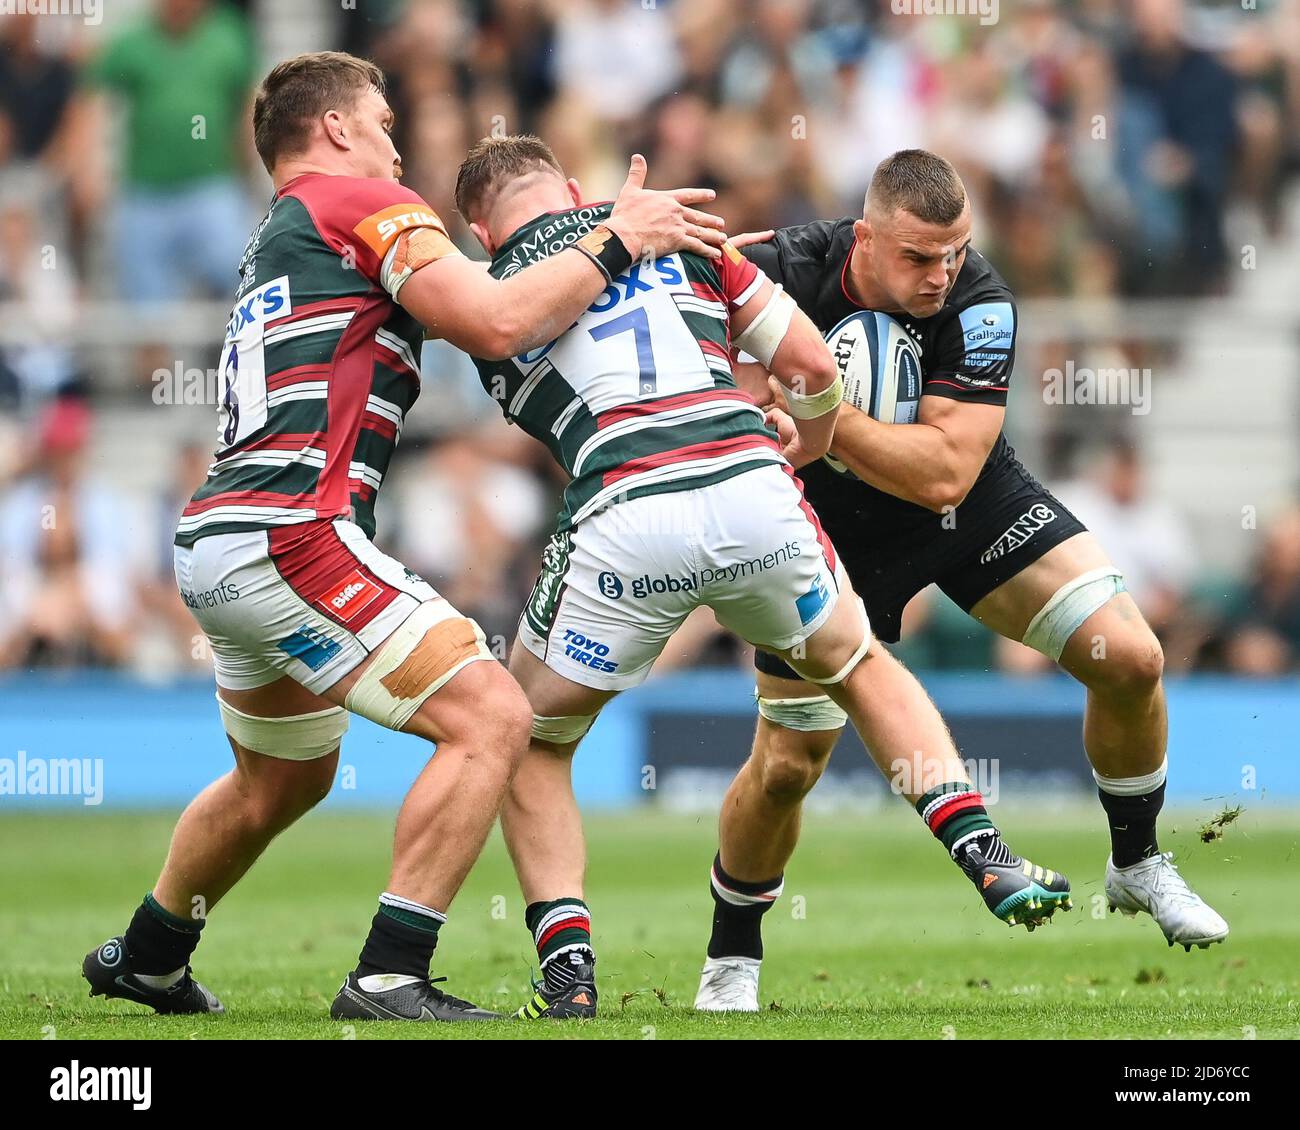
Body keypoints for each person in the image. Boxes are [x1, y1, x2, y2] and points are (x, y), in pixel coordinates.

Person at [81, 50, 727, 1024]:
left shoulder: (280, 238)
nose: (394, 141)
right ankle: (388, 970)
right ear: (335, 130)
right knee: (494, 715)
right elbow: (497, 321)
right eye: (381, 121)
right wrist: (616, 239)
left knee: (283, 775)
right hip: (292, 529)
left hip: (223, 536)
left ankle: (151, 952)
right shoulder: (359, 204)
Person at [455, 135, 1072, 1021]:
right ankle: (979, 843)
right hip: (753, 487)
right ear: (575, 188)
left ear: (482, 230)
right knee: (859, 665)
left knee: (531, 737)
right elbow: (814, 367)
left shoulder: (483, 294)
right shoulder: (682, 235)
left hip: (626, 512)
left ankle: (569, 968)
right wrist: (809, 440)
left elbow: (506, 339)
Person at [697, 148, 1227, 1010]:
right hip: (821, 531)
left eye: (954, 252)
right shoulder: (777, 270)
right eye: (917, 257)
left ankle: (1137, 861)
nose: (942, 274)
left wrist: (824, 415)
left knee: (1131, 656)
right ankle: (732, 960)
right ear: (863, 238)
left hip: (961, 504)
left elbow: (945, 472)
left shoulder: (982, 301)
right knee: (789, 766)